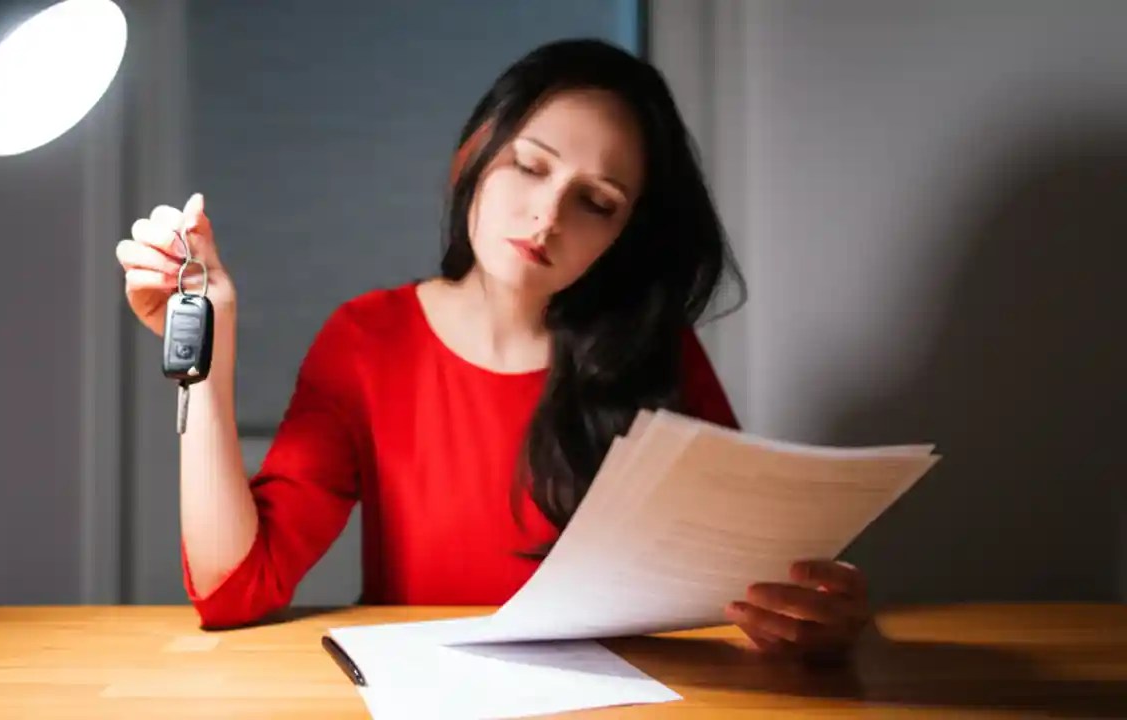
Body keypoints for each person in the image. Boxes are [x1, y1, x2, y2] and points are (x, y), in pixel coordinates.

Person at [115, 38, 871, 659]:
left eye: (596, 203)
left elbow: (752, 583)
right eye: (531, 166)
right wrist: (204, 365)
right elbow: (232, 590)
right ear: (475, 154)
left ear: (624, 234)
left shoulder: (653, 351)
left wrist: (811, 615)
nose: (546, 217)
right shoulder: (366, 341)